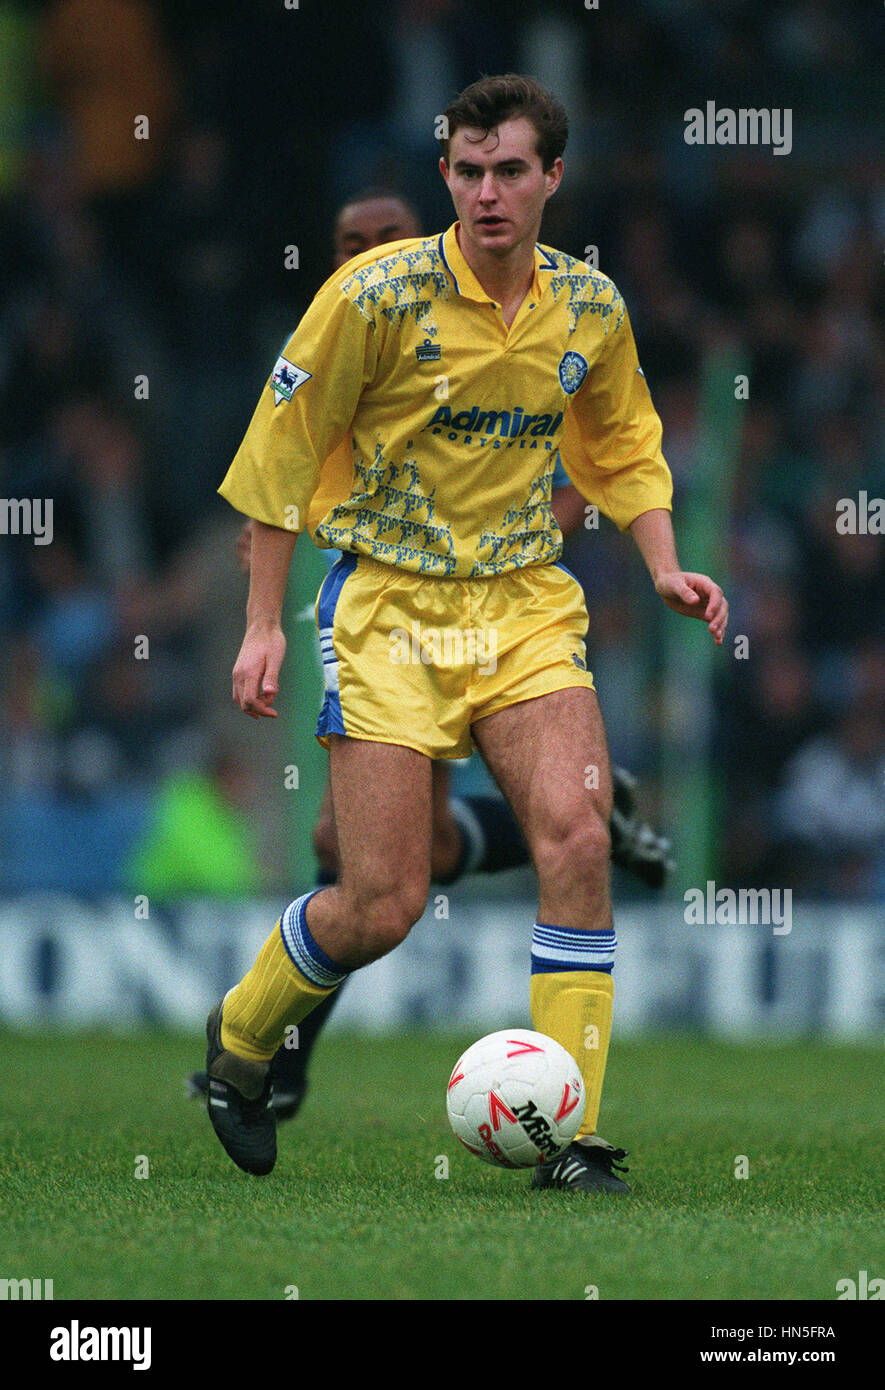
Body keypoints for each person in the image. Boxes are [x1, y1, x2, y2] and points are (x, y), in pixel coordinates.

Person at [205, 75, 727, 1189]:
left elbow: (626, 443)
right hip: (389, 607)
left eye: (511, 171)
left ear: (551, 179)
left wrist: (665, 562)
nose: (488, 193)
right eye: (468, 171)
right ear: (446, 176)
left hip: (525, 603)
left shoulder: (591, 307)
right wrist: (262, 626)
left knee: (579, 838)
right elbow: (278, 461)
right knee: (381, 899)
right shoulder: (373, 297)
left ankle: (574, 1137)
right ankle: (241, 1047)